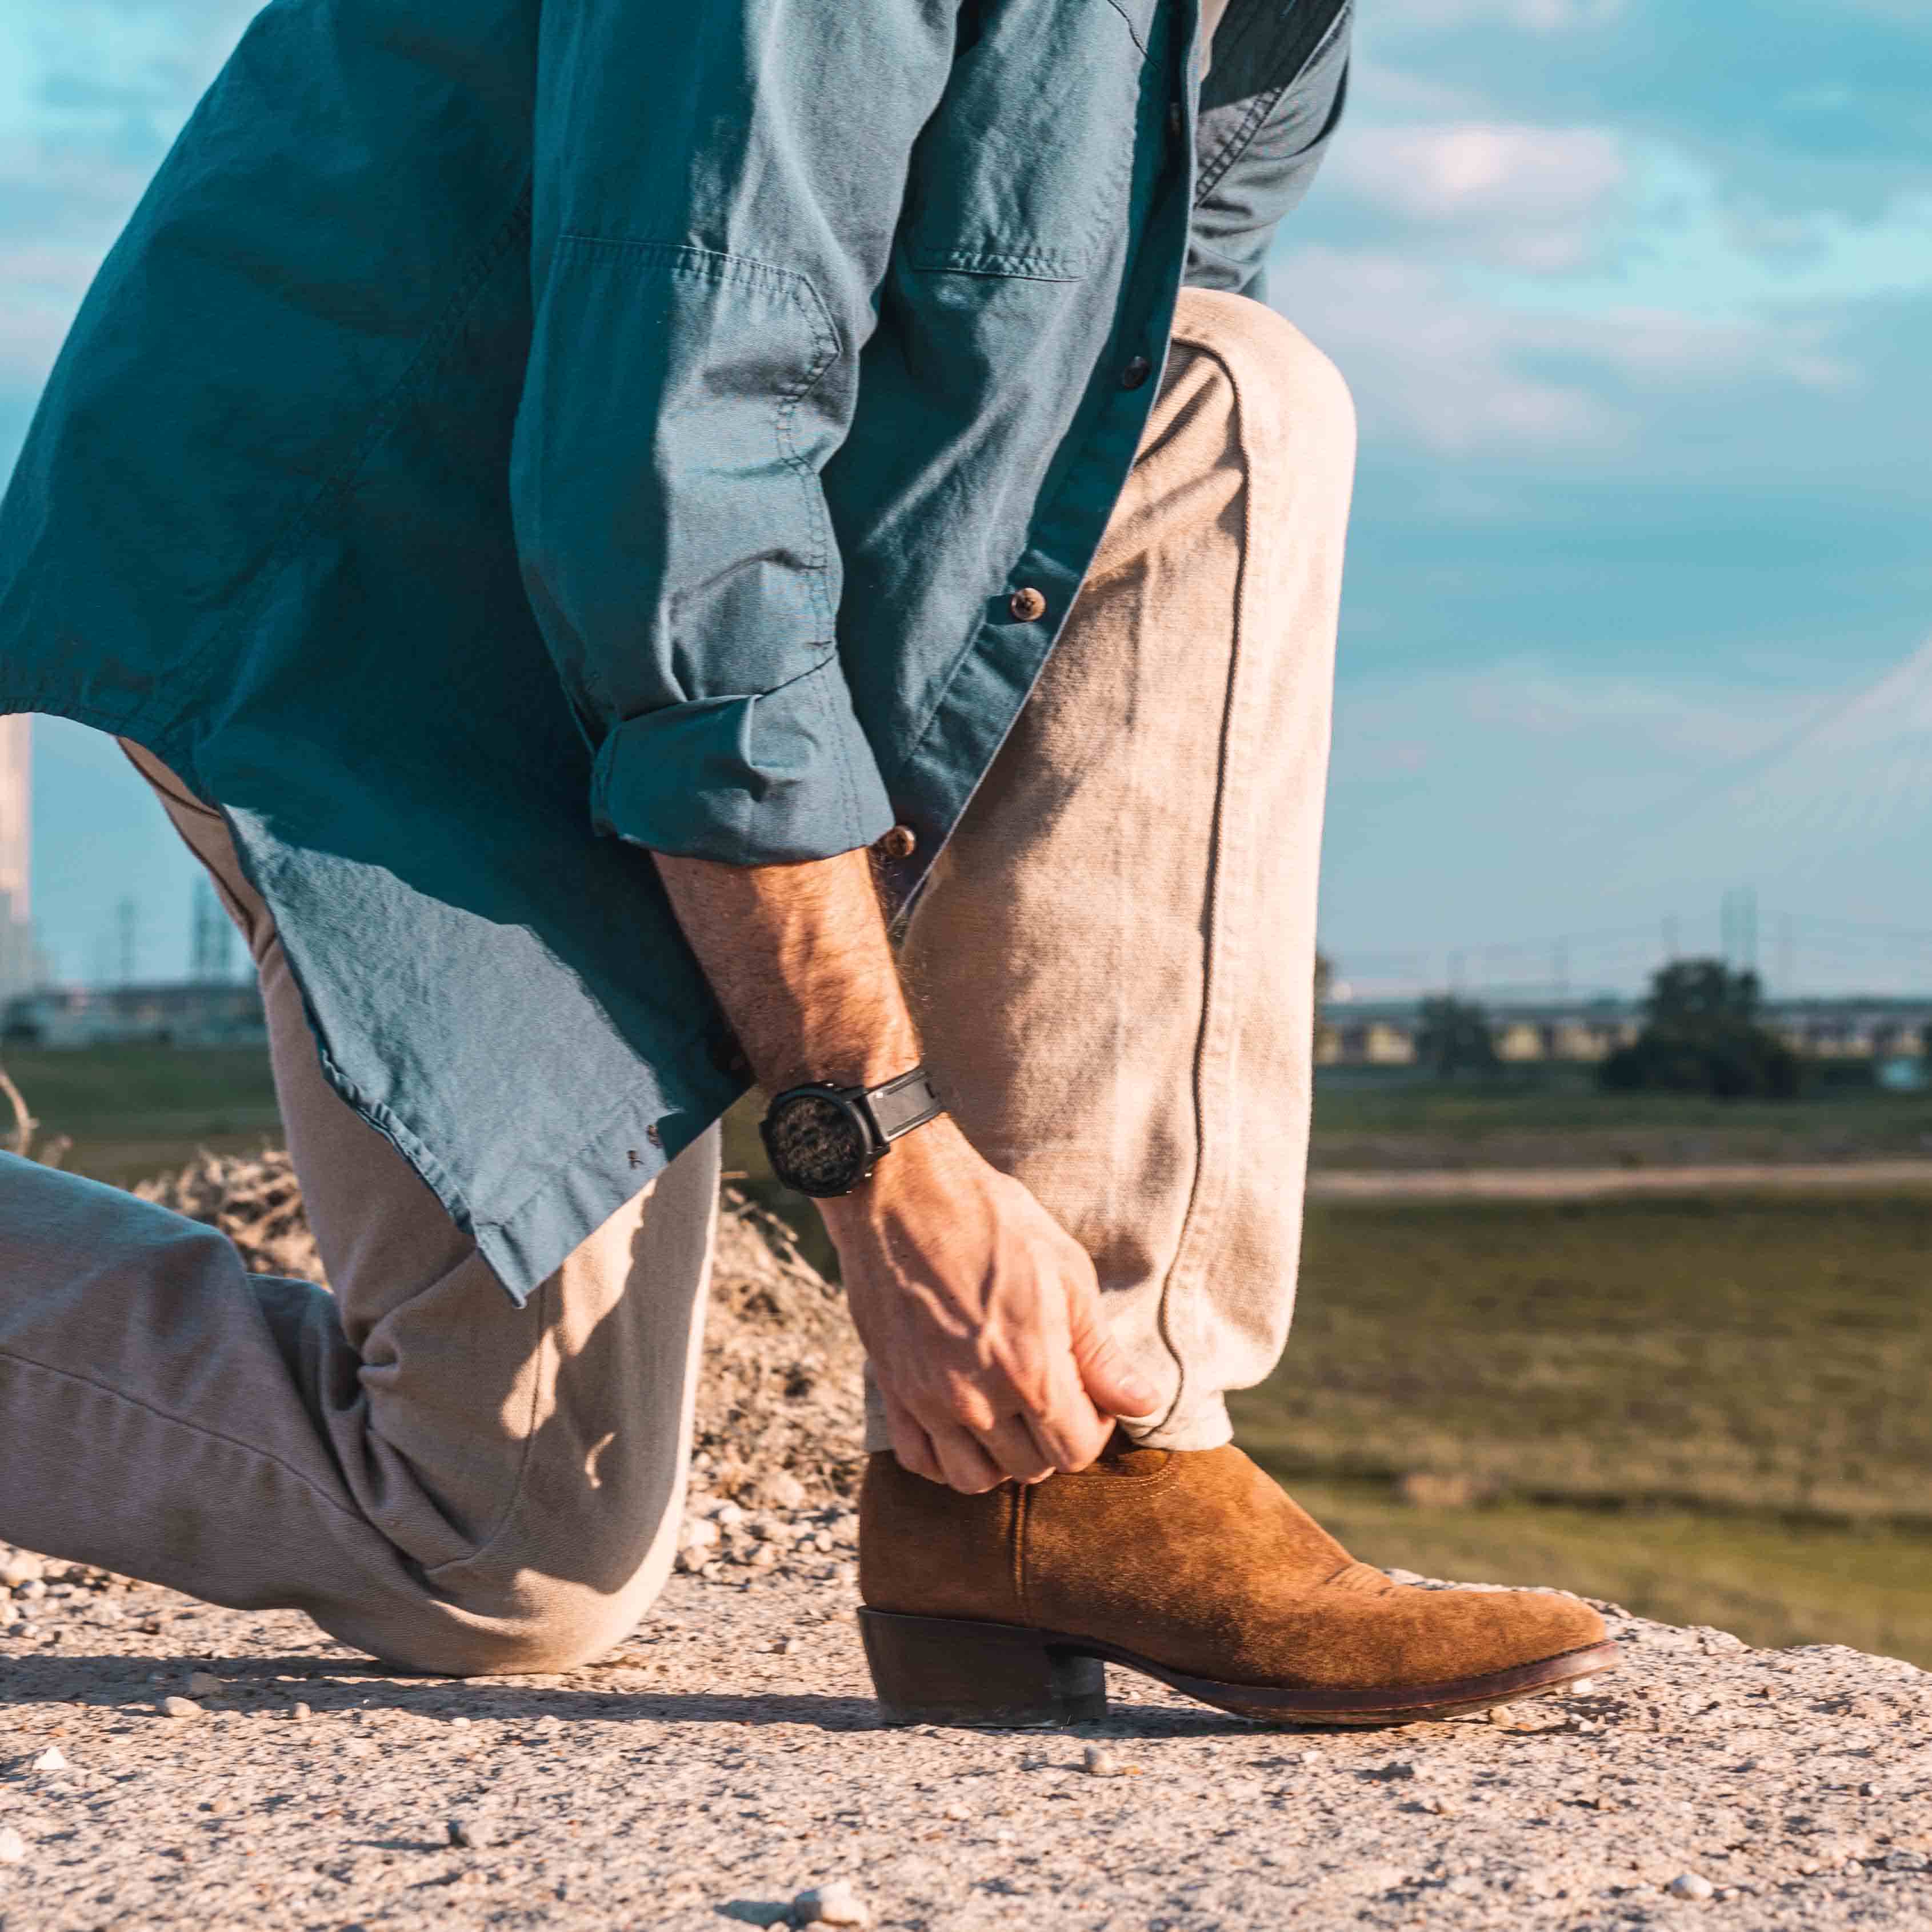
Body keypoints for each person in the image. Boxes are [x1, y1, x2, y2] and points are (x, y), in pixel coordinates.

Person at [0, 0, 1612, 1724]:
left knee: (1217, 387)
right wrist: (883, 1154)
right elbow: (676, 478)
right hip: (376, 607)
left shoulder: (1284, 21)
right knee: (500, 1549)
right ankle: (1037, 1458)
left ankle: (1065, 1462)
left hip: (672, 577)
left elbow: (1073, 479)